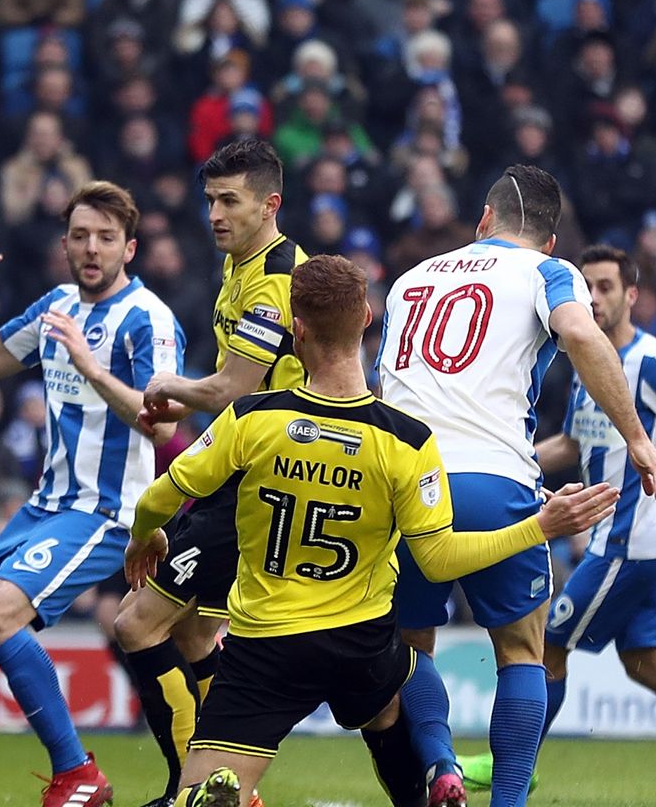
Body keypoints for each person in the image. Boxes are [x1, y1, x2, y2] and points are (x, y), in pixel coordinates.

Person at [126, 255, 617, 807]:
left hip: (264, 647)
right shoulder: (407, 440)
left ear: (297, 330)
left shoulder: (251, 419)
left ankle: (213, 792)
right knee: (393, 700)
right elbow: (440, 558)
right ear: (365, 318)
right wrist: (539, 527)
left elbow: (159, 497)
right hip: (358, 644)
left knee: (199, 788)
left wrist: (146, 535)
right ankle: (430, 779)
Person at [377, 167, 656, 807]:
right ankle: (508, 800)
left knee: (411, 645)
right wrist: (638, 438)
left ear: (483, 220)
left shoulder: (411, 279)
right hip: (495, 480)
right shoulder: (548, 271)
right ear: (550, 240)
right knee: (522, 652)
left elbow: (388, 391)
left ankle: (440, 766)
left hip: (404, 482)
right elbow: (580, 333)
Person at [0, 182, 185, 807]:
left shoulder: (147, 318)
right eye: (80, 236)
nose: (92, 249)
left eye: (106, 238)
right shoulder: (59, 306)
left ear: (129, 248)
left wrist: (92, 367)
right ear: (64, 245)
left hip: (107, 510)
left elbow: (163, 425)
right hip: (46, 506)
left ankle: (78, 772)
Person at [456, 246, 656, 802]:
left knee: (546, 648)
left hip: (629, 541)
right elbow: (573, 443)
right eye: (586, 286)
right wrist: (506, 461)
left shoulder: (655, 361)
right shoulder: (588, 359)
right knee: (647, 664)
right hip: (622, 539)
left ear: (632, 294)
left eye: (607, 287)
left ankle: (511, 766)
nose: (593, 297)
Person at [118, 136, 306, 807]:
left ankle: (186, 791)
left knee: (135, 625)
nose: (215, 214)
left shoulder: (276, 279)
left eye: (229, 201)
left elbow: (233, 387)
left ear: (270, 204)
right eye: (210, 201)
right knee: (196, 632)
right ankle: (226, 789)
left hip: (261, 478)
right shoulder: (239, 264)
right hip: (242, 467)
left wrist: (170, 385)